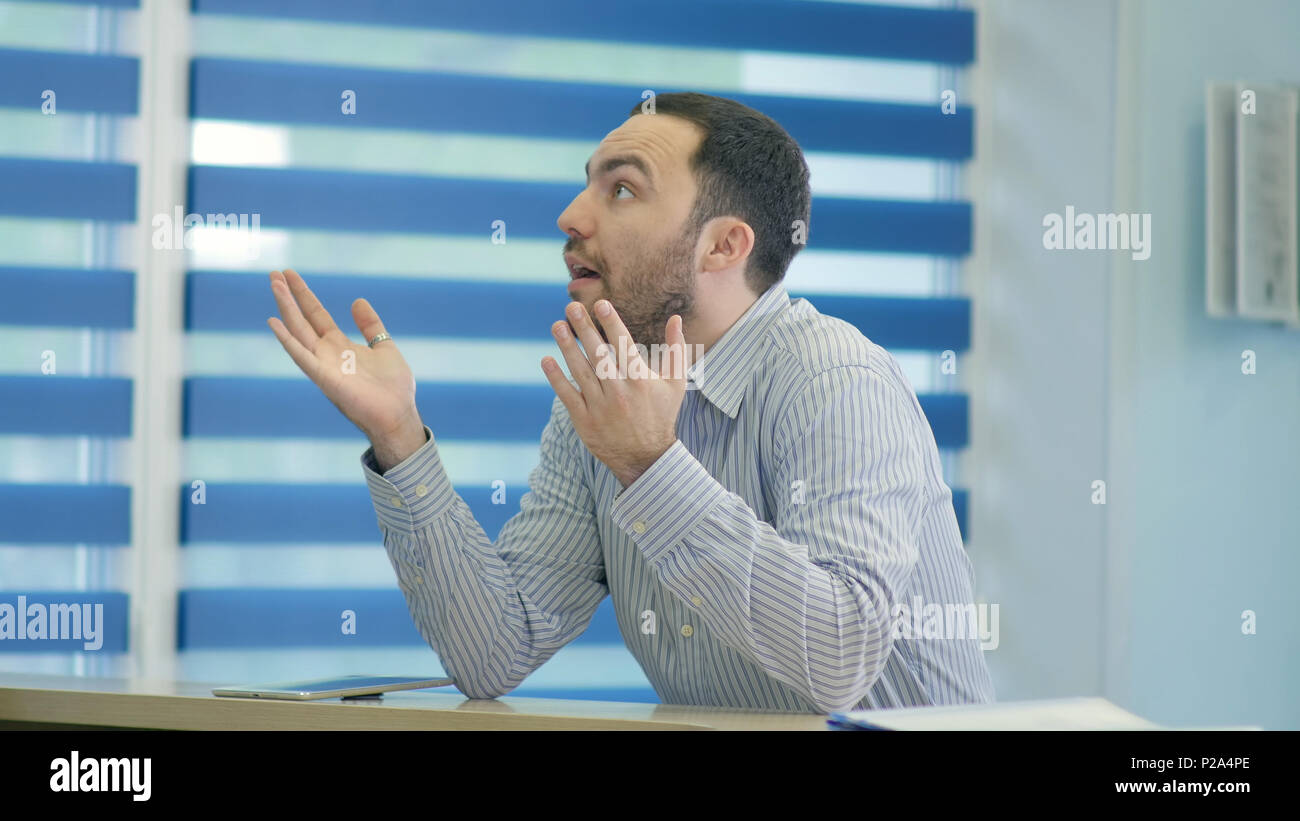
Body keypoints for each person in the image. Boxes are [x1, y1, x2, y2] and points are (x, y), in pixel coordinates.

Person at [266, 92, 994, 713]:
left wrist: (652, 467)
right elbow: (496, 648)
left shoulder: (836, 379)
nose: (569, 216)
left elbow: (838, 653)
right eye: (587, 185)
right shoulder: (602, 402)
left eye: (621, 190)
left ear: (722, 247)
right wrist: (399, 435)